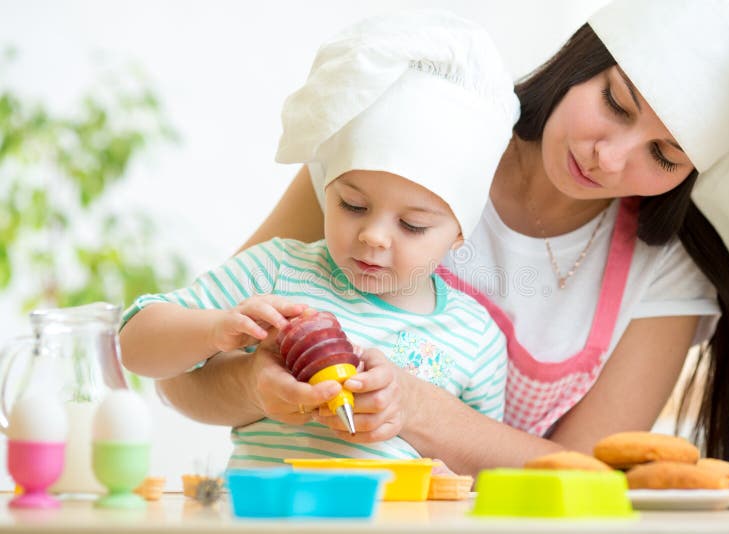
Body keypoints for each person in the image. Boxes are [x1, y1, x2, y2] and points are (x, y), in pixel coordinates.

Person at [155, 0, 729, 475]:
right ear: (583, 59)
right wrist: (252, 387)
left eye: (663, 155)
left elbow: (583, 475)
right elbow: (183, 369)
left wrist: (414, 407)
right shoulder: (392, 146)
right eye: (615, 103)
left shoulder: (665, 272)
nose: (610, 157)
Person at [119, 11, 516, 466]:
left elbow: (483, 474)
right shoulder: (277, 272)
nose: (373, 236)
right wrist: (213, 330)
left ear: (459, 235)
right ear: (325, 189)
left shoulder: (475, 338)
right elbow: (132, 345)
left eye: (412, 226)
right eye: (352, 205)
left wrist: (402, 416)